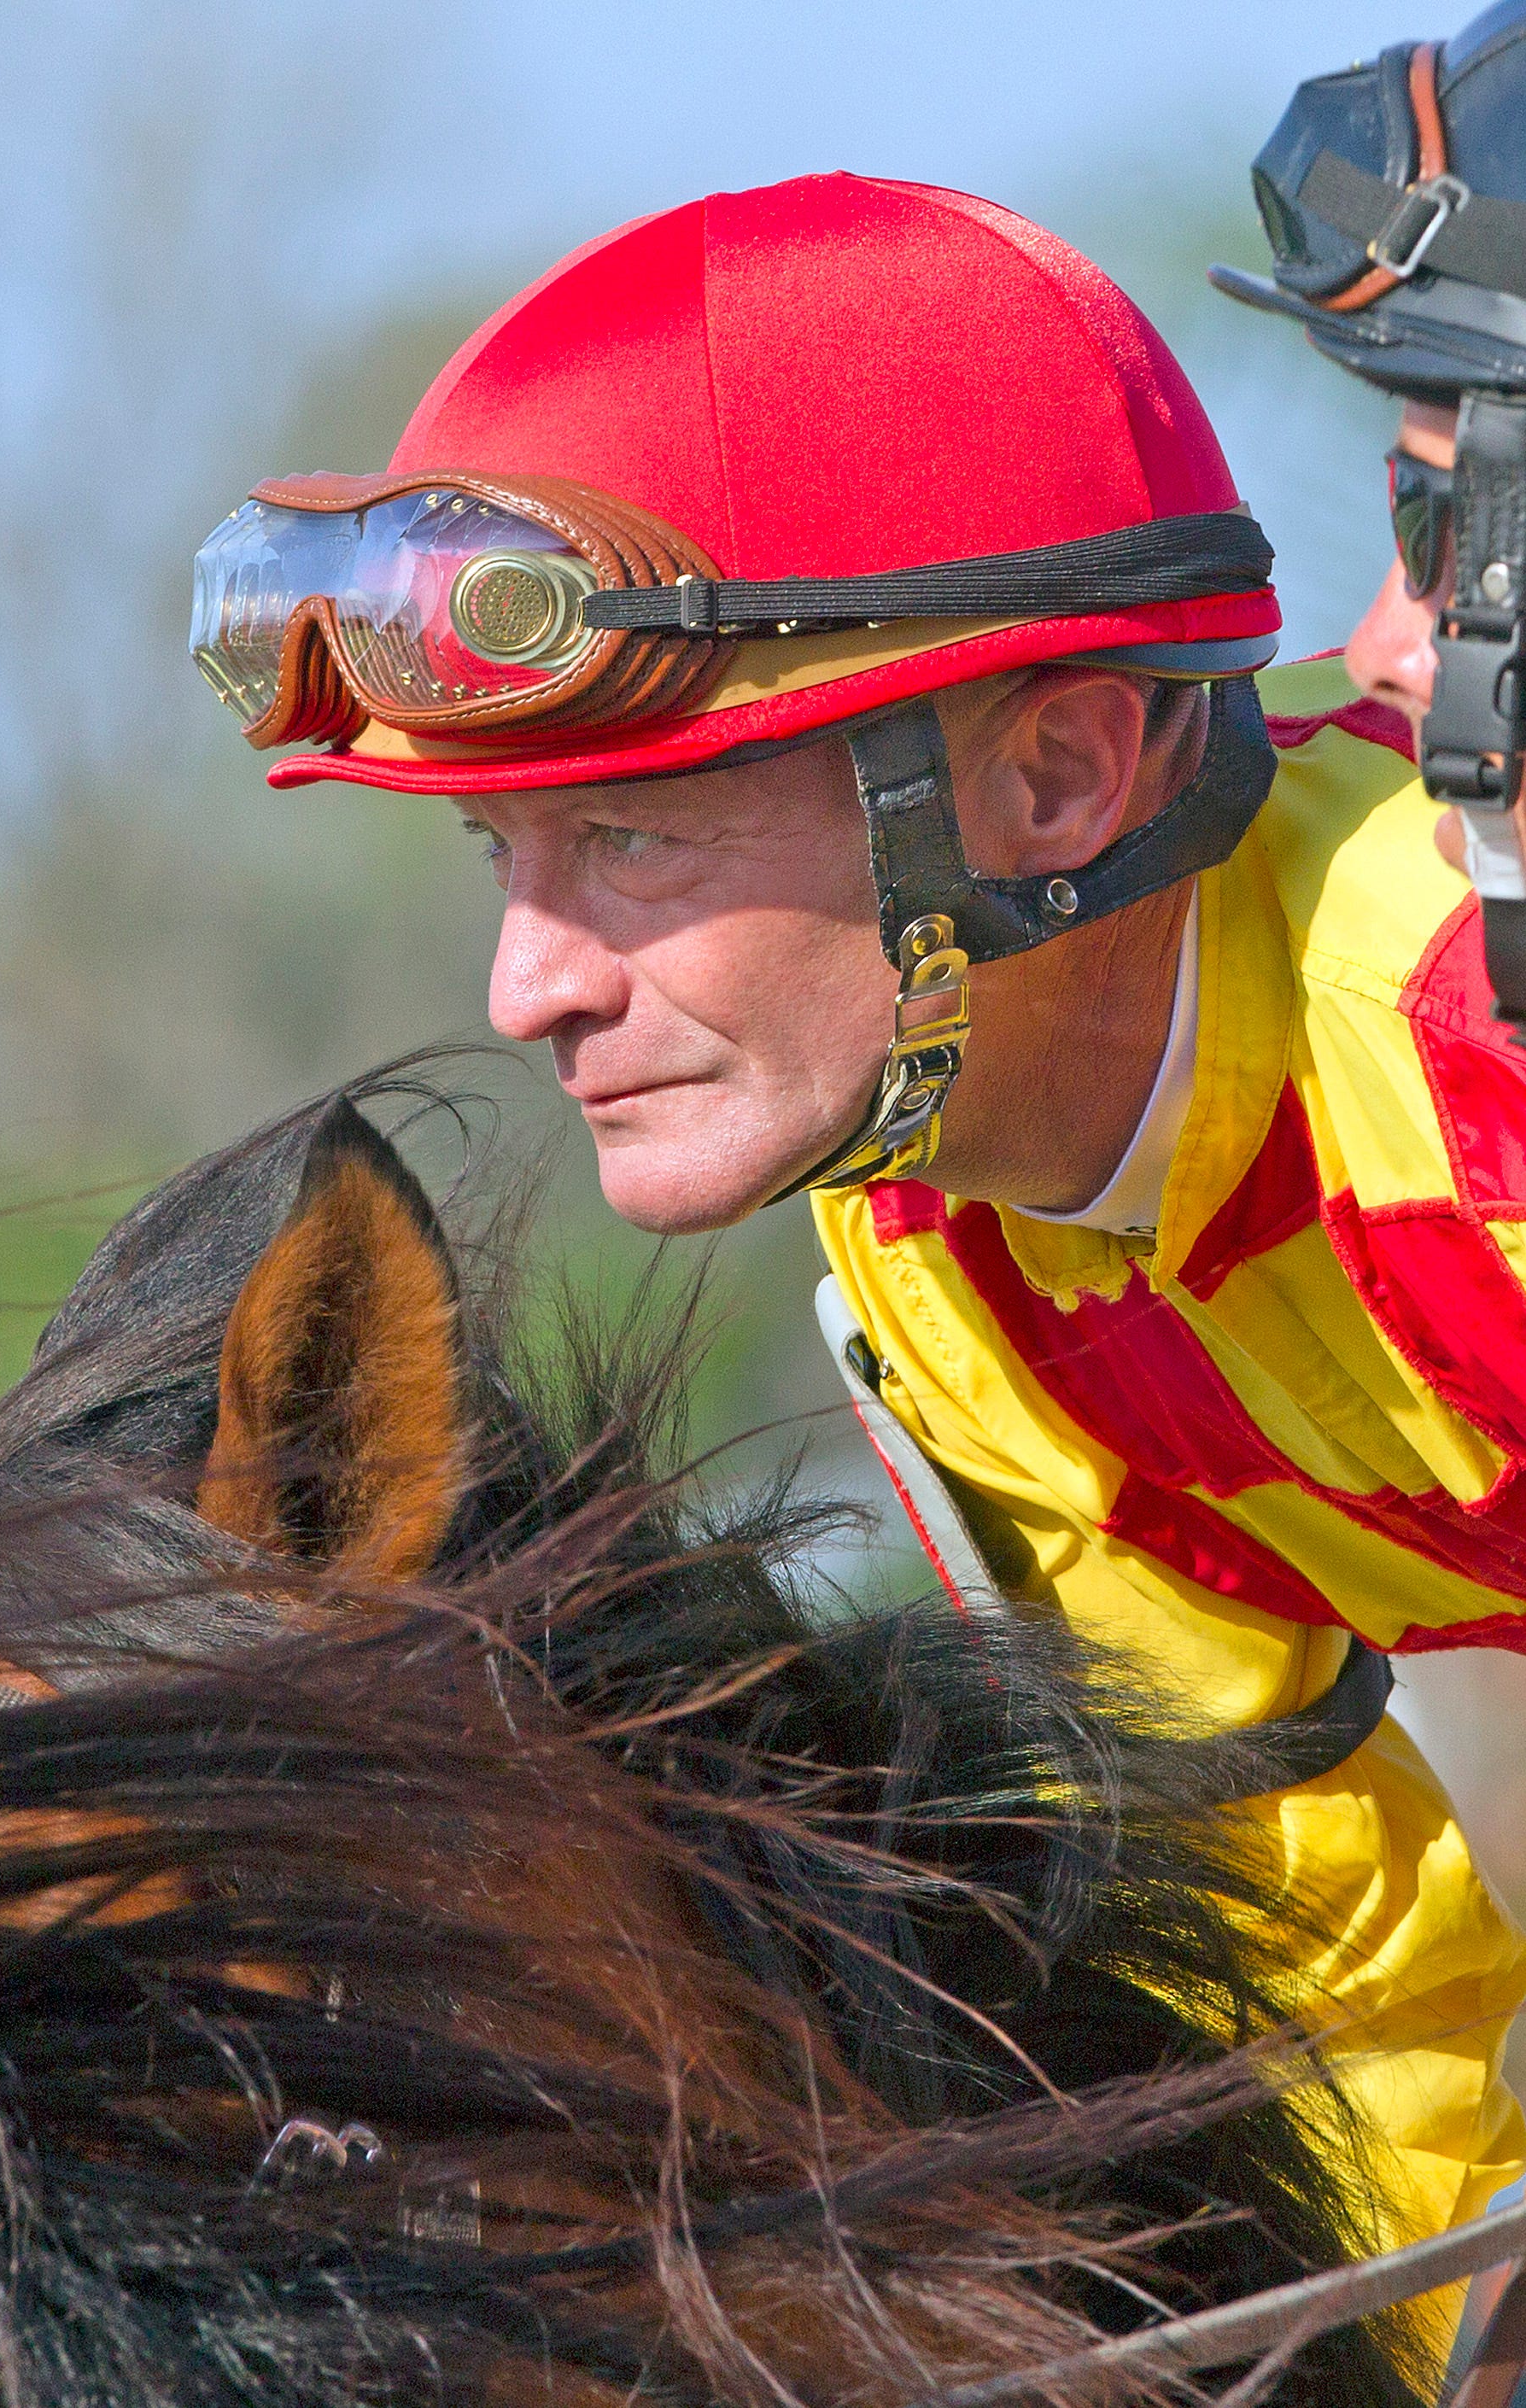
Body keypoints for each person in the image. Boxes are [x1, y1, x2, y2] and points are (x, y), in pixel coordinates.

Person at [190, 168, 1526, 2282]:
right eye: (502, 865)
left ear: (1062, 780)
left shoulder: (1477, 1057)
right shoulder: (938, 1251)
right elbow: (1344, 1950)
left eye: (627, 837)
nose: (528, 988)